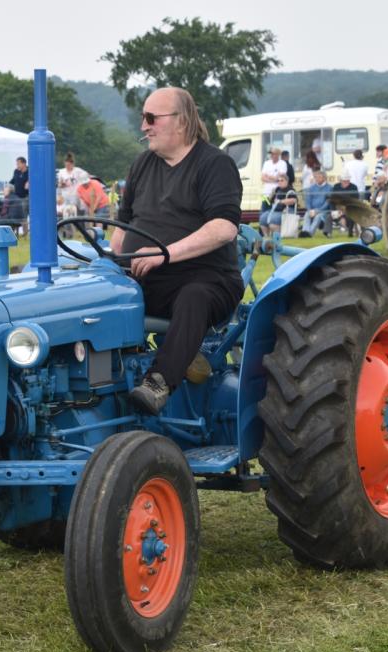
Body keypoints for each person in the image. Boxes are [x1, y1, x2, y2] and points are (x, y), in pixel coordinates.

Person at [112, 86, 244, 415]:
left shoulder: (214, 164)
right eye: (143, 118)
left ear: (182, 121)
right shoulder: (142, 164)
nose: (144, 126)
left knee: (194, 296)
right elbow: (121, 229)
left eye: (151, 118)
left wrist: (163, 254)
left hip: (206, 278)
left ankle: (159, 382)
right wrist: (111, 265)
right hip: (146, 277)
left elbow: (223, 228)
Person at [301, 169, 333, 237]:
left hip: (323, 211)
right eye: (316, 177)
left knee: (318, 216)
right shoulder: (311, 188)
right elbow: (308, 201)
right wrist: (310, 210)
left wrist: (317, 211)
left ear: (324, 178)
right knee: (307, 214)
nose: (317, 179)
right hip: (312, 210)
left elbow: (327, 202)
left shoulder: (330, 188)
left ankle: (310, 234)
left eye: (319, 177)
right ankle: (305, 232)